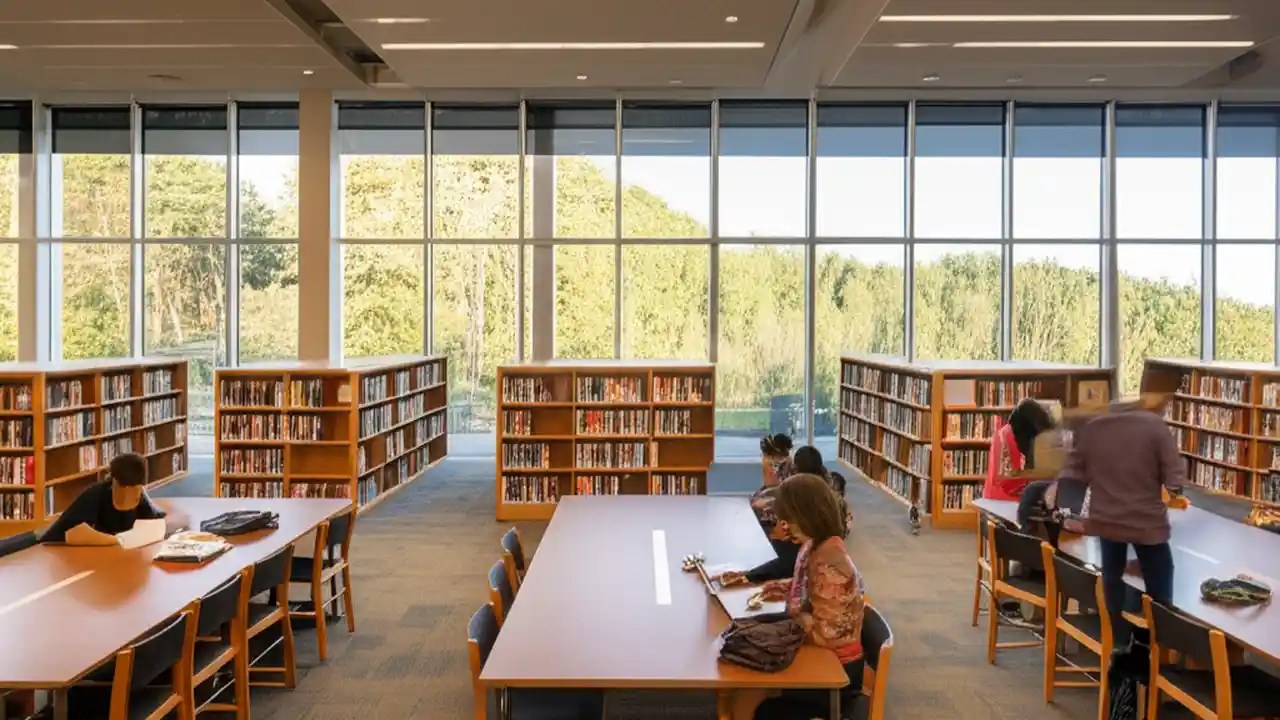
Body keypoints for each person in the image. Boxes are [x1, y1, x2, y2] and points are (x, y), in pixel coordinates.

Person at [731, 474, 867, 720]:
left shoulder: (831, 565)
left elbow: (826, 634)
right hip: (822, 652)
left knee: (754, 680)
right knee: (746, 645)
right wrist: (785, 587)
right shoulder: (816, 546)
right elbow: (811, 588)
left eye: (788, 518)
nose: (783, 524)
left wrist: (791, 621)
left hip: (834, 670)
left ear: (805, 516)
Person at [1059, 394, 1183, 642]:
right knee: (1159, 571)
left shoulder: (1093, 428)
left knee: (1112, 573)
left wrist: (1070, 513)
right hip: (1146, 522)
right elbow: (1175, 478)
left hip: (1107, 519)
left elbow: (1073, 473)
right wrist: (1172, 489)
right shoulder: (1154, 426)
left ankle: (1116, 635)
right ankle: (1159, 638)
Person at [41, 453, 166, 543]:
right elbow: (69, 533)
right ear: (114, 482)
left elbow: (155, 520)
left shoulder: (141, 494)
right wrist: (117, 540)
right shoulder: (94, 496)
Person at [983, 397, 1056, 502]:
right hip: (1003, 500)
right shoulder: (1008, 437)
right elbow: (1008, 479)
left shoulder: (1009, 433)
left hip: (999, 496)